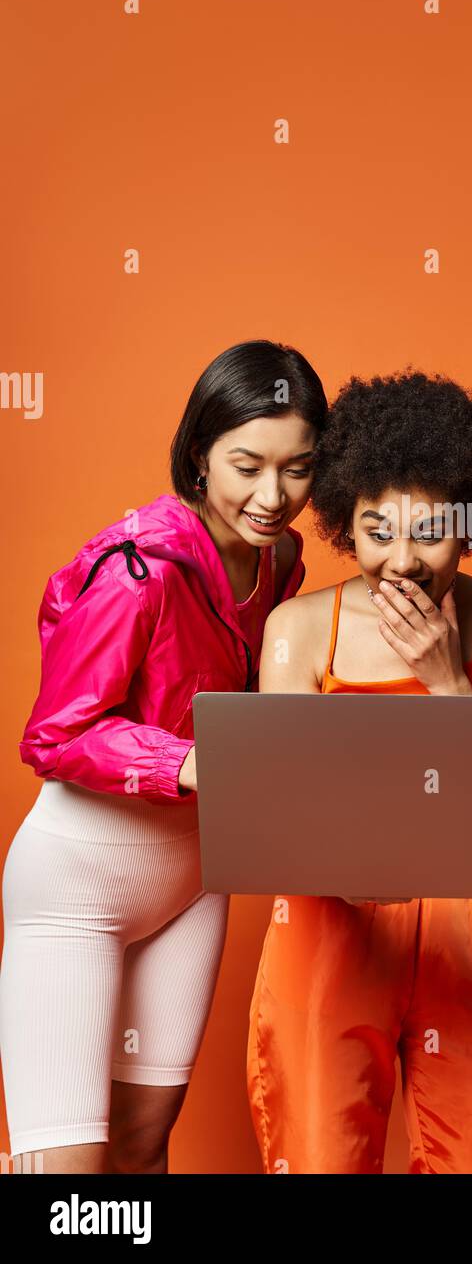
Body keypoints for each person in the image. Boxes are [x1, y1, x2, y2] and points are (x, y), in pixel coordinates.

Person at [0, 340, 326, 1174]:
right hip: (81, 883)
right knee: (64, 1178)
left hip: (192, 878)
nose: (272, 496)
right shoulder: (134, 570)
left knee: (142, 1149)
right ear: (198, 456)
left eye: (297, 469)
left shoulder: (281, 560)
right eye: (247, 465)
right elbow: (54, 735)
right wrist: (191, 764)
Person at [246, 370, 472, 1173]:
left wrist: (451, 682)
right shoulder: (299, 629)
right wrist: (354, 872)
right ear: (347, 522)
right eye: (379, 530)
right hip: (331, 934)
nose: (403, 561)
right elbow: (280, 814)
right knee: (320, 1156)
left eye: (432, 533)